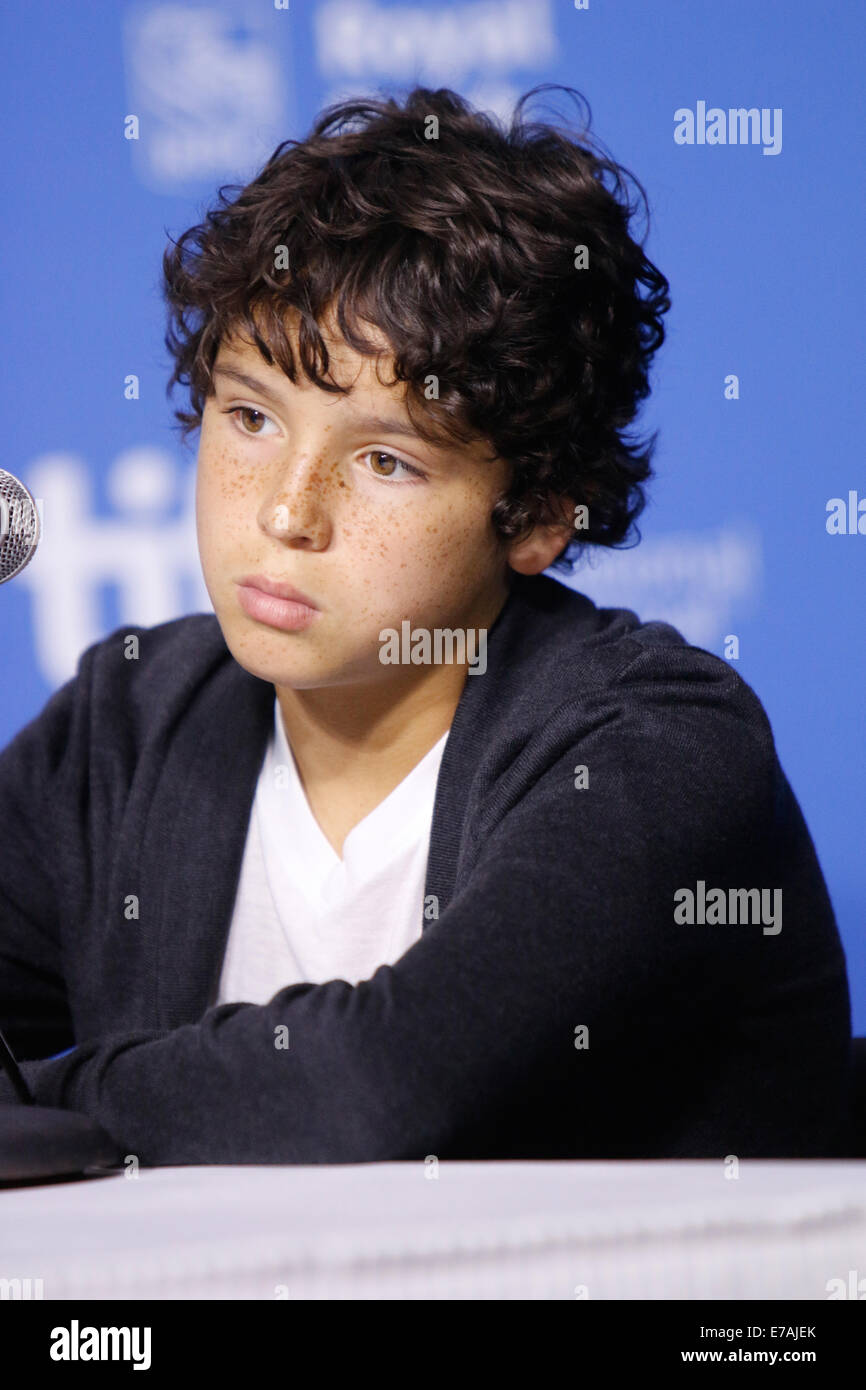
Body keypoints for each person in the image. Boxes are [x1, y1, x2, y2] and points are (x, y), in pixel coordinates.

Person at [0, 86, 852, 1163]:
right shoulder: (123, 724)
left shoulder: (660, 745)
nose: (284, 510)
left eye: (385, 460)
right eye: (251, 416)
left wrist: (52, 1097)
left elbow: (378, 1088)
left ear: (536, 514)